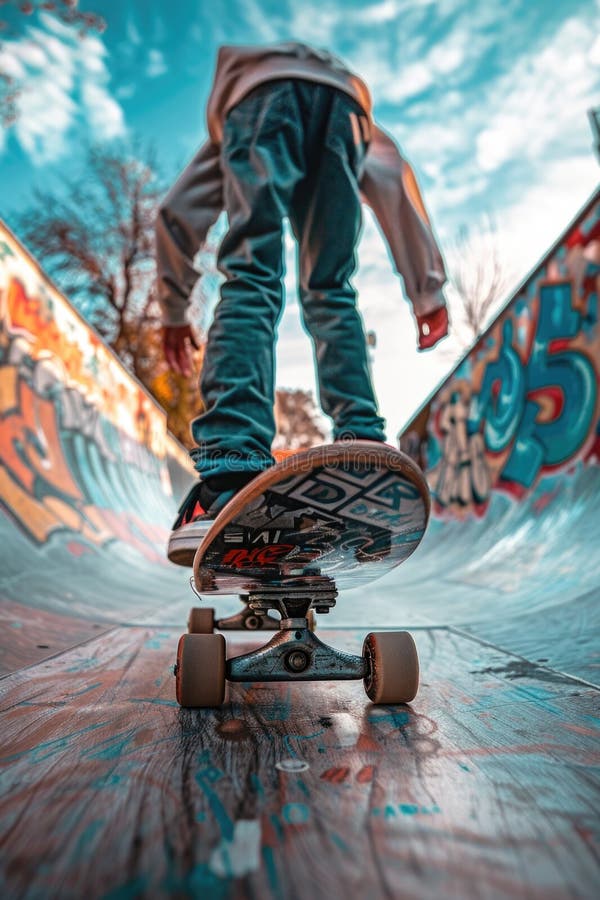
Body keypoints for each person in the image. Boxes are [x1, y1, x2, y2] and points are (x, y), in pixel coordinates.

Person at [155, 42, 449, 565]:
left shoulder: (249, 99)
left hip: (258, 97)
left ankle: (230, 475)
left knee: (251, 275)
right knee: (331, 286)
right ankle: (366, 453)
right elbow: (391, 179)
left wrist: (175, 310)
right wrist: (426, 288)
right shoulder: (362, 124)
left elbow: (179, 211)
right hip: (347, 110)